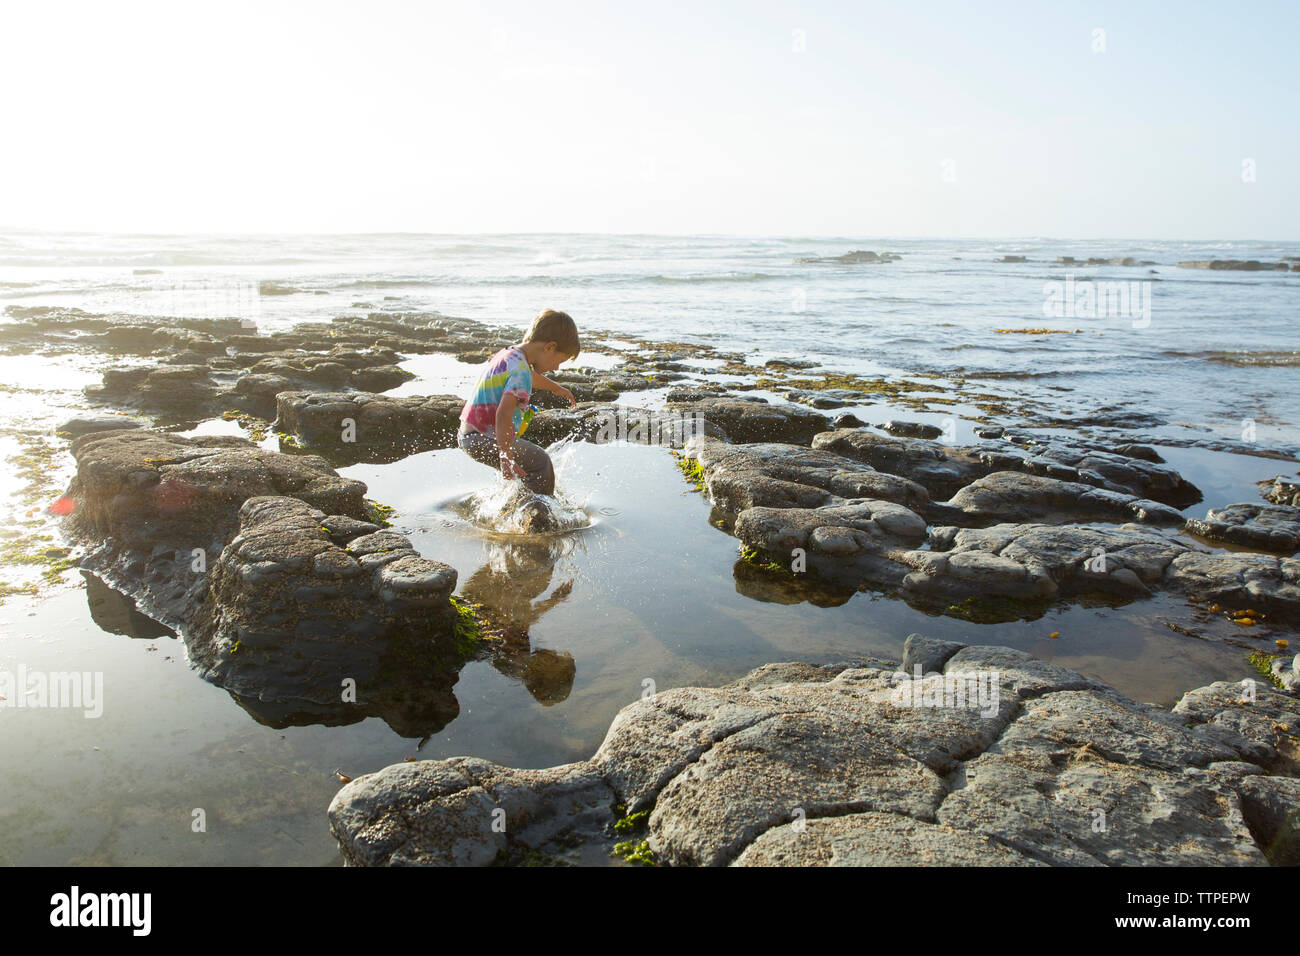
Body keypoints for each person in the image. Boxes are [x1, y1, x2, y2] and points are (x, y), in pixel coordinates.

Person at [457, 308, 579, 497]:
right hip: (483, 437)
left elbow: (530, 377)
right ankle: (540, 520)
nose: (556, 368)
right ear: (550, 347)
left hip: (470, 433)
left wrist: (556, 388)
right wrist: (505, 455)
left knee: (526, 470)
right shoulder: (520, 371)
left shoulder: (511, 354)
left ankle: (517, 508)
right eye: (559, 361)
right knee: (541, 463)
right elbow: (504, 413)